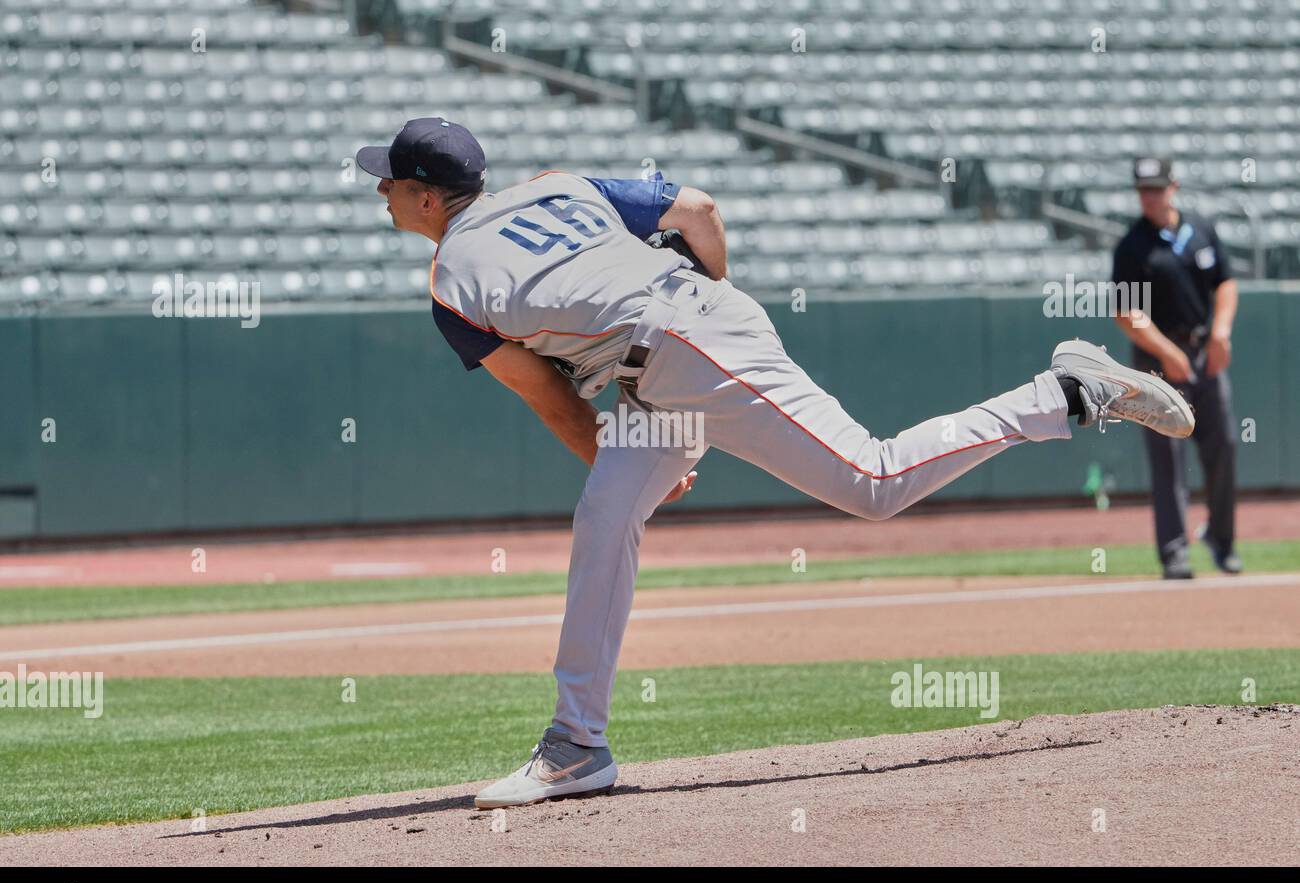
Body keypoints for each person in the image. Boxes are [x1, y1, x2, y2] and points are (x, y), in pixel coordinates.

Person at [356, 118, 1194, 809]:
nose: (381, 191)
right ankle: (577, 744)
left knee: (872, 481)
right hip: (681, 342)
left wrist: (660, 395)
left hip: (682, 351)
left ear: (427, 196)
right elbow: (697, 208)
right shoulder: (556, 183)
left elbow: (549, 399)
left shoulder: (451, 280)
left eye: (389, 181)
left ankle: (1063, 394)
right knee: (606, 517)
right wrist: (710, 309)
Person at [1112, 158, 1241, 580]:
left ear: (1174, 186)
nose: (1150, 195)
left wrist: (1221, 333)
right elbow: (1126, 312)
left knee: (1222, 445)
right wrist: (1167, 352)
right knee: (1167, 456)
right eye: (1143, 189)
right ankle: (1174, 552)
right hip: (1157, 366)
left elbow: (1225, 282)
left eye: (1157, 187)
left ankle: (1221, 541)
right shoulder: (1132, 246)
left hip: (1204, 353)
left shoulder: (1200, 229)